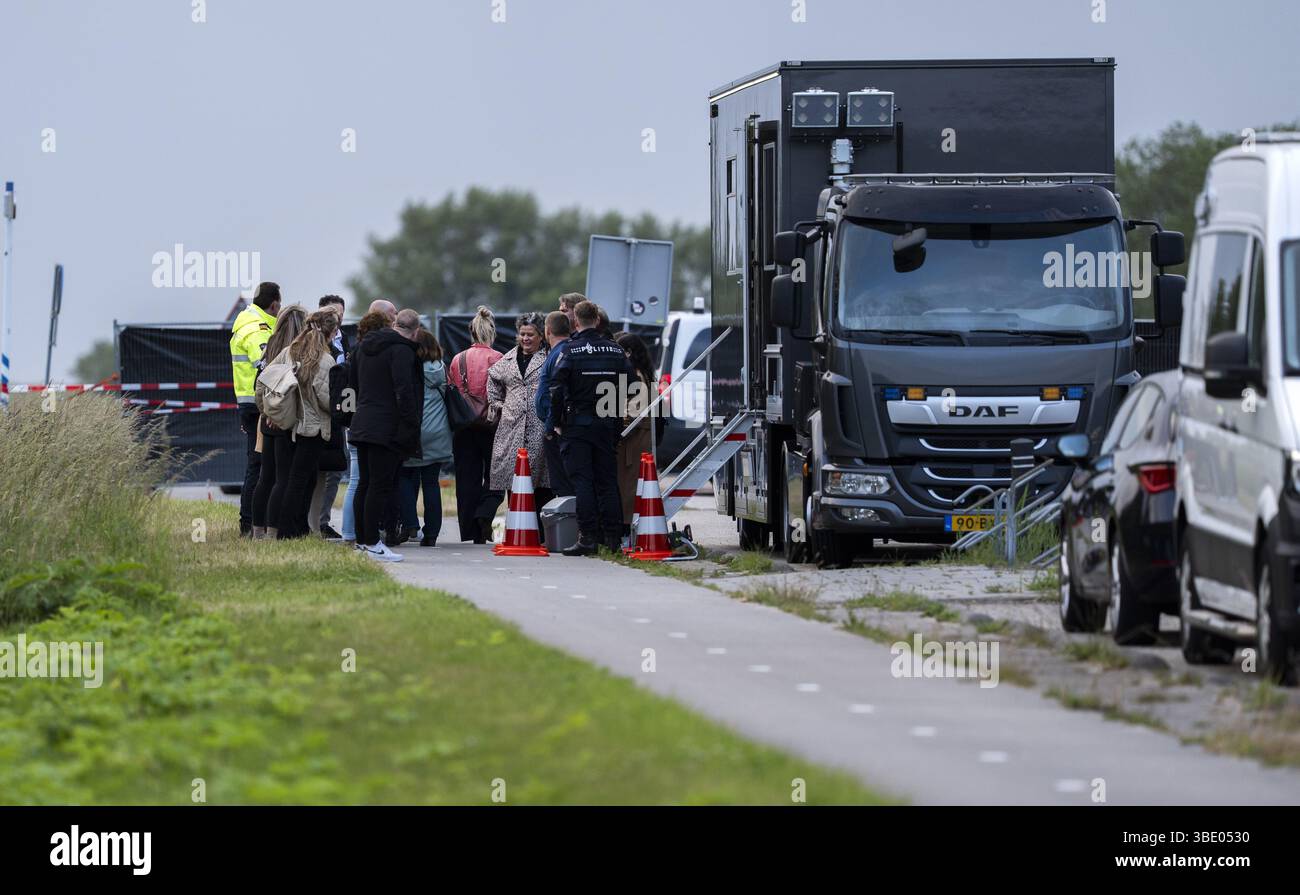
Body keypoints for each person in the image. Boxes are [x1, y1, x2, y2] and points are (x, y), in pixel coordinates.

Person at [547, 300, 634, 556]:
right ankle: (613, 538)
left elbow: (556, 389)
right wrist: (613, 413)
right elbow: (631, 386)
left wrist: (554, 423)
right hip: (606, 425)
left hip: (577, 426)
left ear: (575, 322)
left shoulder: (570, 351)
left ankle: (587, 538)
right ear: (596, 320)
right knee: (607, 481)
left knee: (583, 481)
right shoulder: (616, 351)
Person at [348, 308, 423, 561]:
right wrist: (410, 426)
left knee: (365, 484)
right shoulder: (401, 350)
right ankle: (372, 543)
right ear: (416, 331)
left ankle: (362, 540)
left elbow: (355, 385)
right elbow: (404, 391)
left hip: (362, 421)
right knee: (379, 486)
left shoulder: (361, 348)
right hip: (386, 427)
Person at [266, 309, 338, 539]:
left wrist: (268, 409)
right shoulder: (325, 360)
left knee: (298, 478)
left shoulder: (289, 352)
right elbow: (326, 398)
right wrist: (344, 407)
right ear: (329, 332)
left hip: (288, 424)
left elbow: (265, 379)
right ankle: (288, 531)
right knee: (301, 481)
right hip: (313, 427)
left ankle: (298, 528)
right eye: (336, 330)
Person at [486, 312, 551, 534]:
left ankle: (541, 531)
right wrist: (497, 404)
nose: (525, 338)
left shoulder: (549, 358)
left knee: (541, 480)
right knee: (514, 479)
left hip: (538, 427)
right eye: (522, 334)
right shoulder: (509, 358)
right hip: (511, 427)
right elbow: (493, 378)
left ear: (541, 336)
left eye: (530, 334)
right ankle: (517, 529)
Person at [447, 306, 503, 543]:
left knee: (466, 478)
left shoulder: (457, 359)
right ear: (492, 332)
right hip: (491, 426)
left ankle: (469, 529)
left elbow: (451, 391)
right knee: (496, 476)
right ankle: (485, 514)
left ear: (471, 332)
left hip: (463, 426)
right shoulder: (499, 358)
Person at [251, 303, 307, 539]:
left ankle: (257, 531)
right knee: (283, 479)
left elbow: (259, 381)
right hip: (284, 419)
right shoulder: (295, 350)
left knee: (265, 477)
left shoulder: (270, 346)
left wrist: (266, 412)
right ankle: (274, 532)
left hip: (266, 418)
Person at [230, 281, 281, 536]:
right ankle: (249, 523)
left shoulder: (248, 322)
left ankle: (251, 522)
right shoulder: (257, 328)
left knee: (259, 464)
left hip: (250, 403)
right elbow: (266, 363)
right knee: (259, 465)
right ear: (274, 304)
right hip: (260, 404)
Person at [340, 310, 391, 546]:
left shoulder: (355, 353)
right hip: (372, 426)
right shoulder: (382, 353)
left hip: (357, 424)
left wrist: (350, 417)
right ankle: (362, 536)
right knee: (365, 482)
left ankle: (352, 533)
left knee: (358, 481)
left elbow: (350, 390)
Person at [398, 328, 453, 547]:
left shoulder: (409, 369)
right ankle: (432, 534)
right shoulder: (441, 368)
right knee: (431, 483)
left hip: (414, 431)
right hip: (438, 432)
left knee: (403, 476)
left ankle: (410, 523)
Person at [309, 295, 351, 538]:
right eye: (334, 314)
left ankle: (323, 522)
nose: (338, 319)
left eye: (341, 315)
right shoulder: (313, 344)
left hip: (339, 414)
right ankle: (313, 523)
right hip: (320, 413)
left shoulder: (344, 339)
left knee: (335, 470)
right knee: (316, 470)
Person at [615, 332, 657, 533]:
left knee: (628, 487)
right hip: (637, 437)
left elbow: (631, 413)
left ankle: (626, 530)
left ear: (628, 353)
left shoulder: (636, 376)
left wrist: (615, 433)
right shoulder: (642, 373)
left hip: (632, 440)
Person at [535, 310, 573, 497]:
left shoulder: (561, 353)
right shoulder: (563, 351)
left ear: (547, 330)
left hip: (558, 428)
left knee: (562, 482)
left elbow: (558, 392)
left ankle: (569, 523)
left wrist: (553, 424)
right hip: (559, 424)